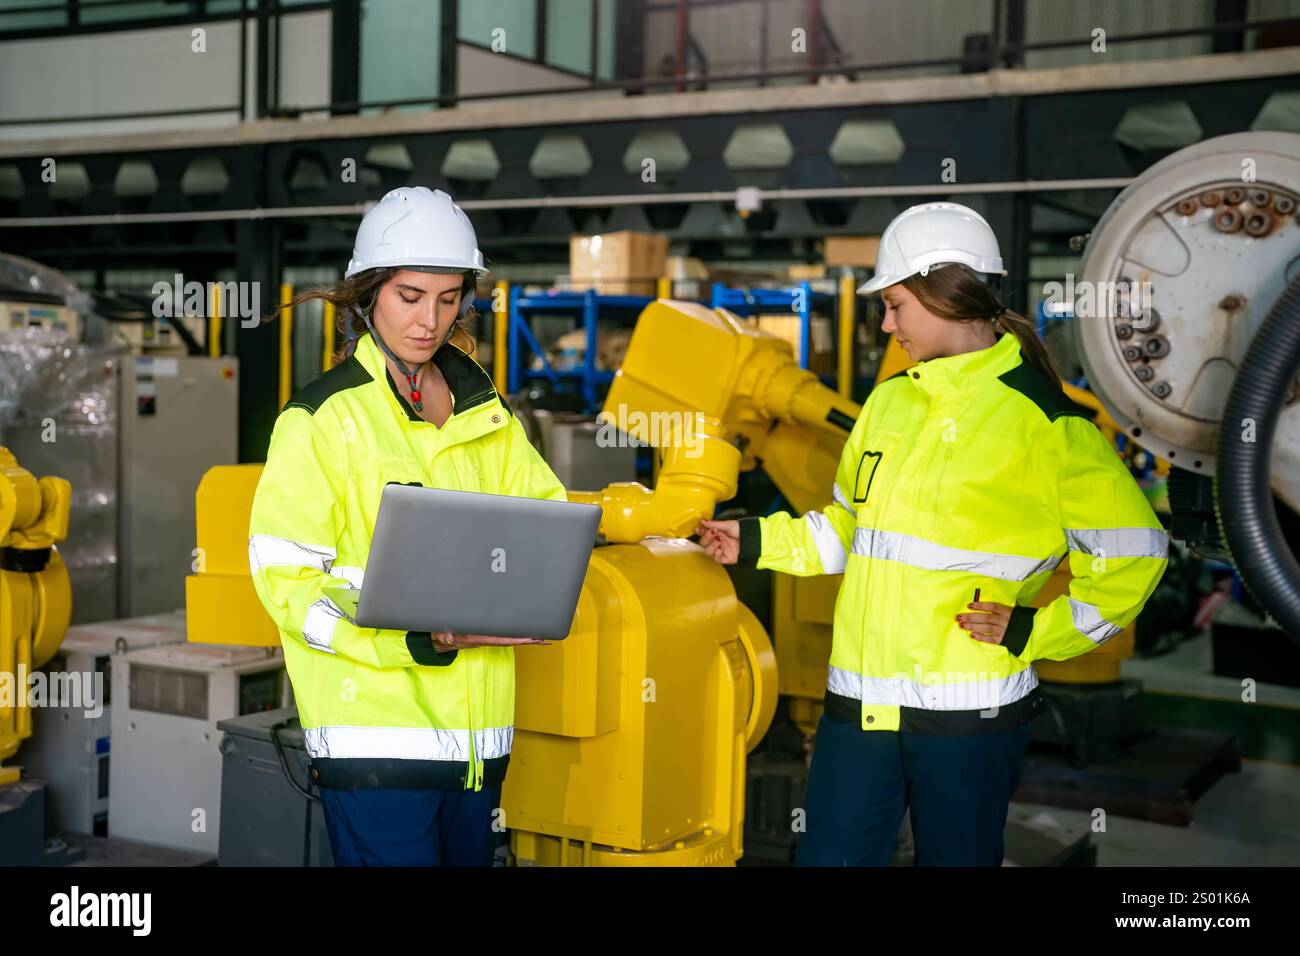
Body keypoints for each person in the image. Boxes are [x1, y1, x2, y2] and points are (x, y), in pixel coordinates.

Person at [698, 201, 1167, 866]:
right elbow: (847, 530)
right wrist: (755, 542)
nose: (886, 325)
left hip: (966, 720)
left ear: (946, 293)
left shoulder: (1045, 422)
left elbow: (1135, 556)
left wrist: (1037, 631)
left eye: (895, 306)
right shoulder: (890, 403)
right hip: (858, 707)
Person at [248, 186, 567, 867]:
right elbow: (287, 588)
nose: (430, 320)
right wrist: (412, 643)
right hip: (375, 744)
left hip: (478, 749)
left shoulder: (486, 412)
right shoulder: (321, 421)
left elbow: (545, 521)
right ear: (368, 296)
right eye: (410, 297)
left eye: (449, 299)